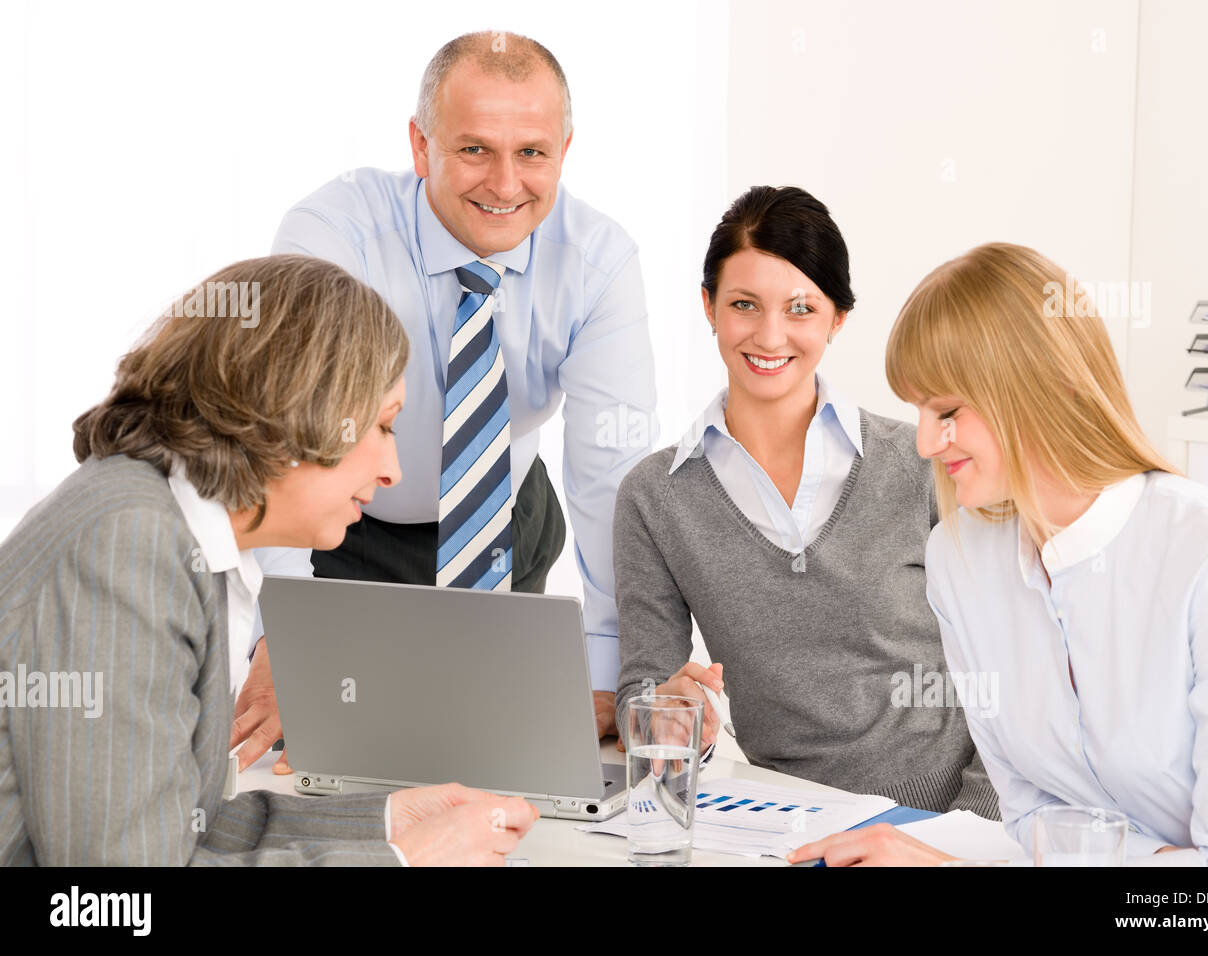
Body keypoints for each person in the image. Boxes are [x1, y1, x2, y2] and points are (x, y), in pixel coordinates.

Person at [0, 255, 538, 865]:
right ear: (295, 408)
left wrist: (386, 821)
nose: (394, 472)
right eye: (383, 426)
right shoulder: (128, 545)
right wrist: (403, 863)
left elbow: (179, 826)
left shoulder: (167, 526)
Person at [790, 242, 1208, 866]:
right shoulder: (958, 559)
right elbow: (1028, 814)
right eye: (918, 412)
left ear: (1040, 391)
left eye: (947, 410)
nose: (925, 442)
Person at [233, 30, 657, 774]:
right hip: (347, 525)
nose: (504, 183)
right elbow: (283, 440)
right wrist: (282, 636)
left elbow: (609, 480)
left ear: (564, 150)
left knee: (495, 753)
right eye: (473, 150)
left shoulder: (598, 262)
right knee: (338, 758)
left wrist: (615, 673)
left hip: (503, 517)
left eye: (531, 152)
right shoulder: (332, 235)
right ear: (421, 146)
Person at [612, 187, 998, 815]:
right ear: (708, 307)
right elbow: (644, 691)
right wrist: (668, 720)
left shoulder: (927, 465)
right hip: (782, 825)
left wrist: (964, 835)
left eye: (799, 308)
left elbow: (1006, 664)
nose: (770, 336)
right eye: (744, 305)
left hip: (940, 822)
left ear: (836, 318)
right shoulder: (655, 499)